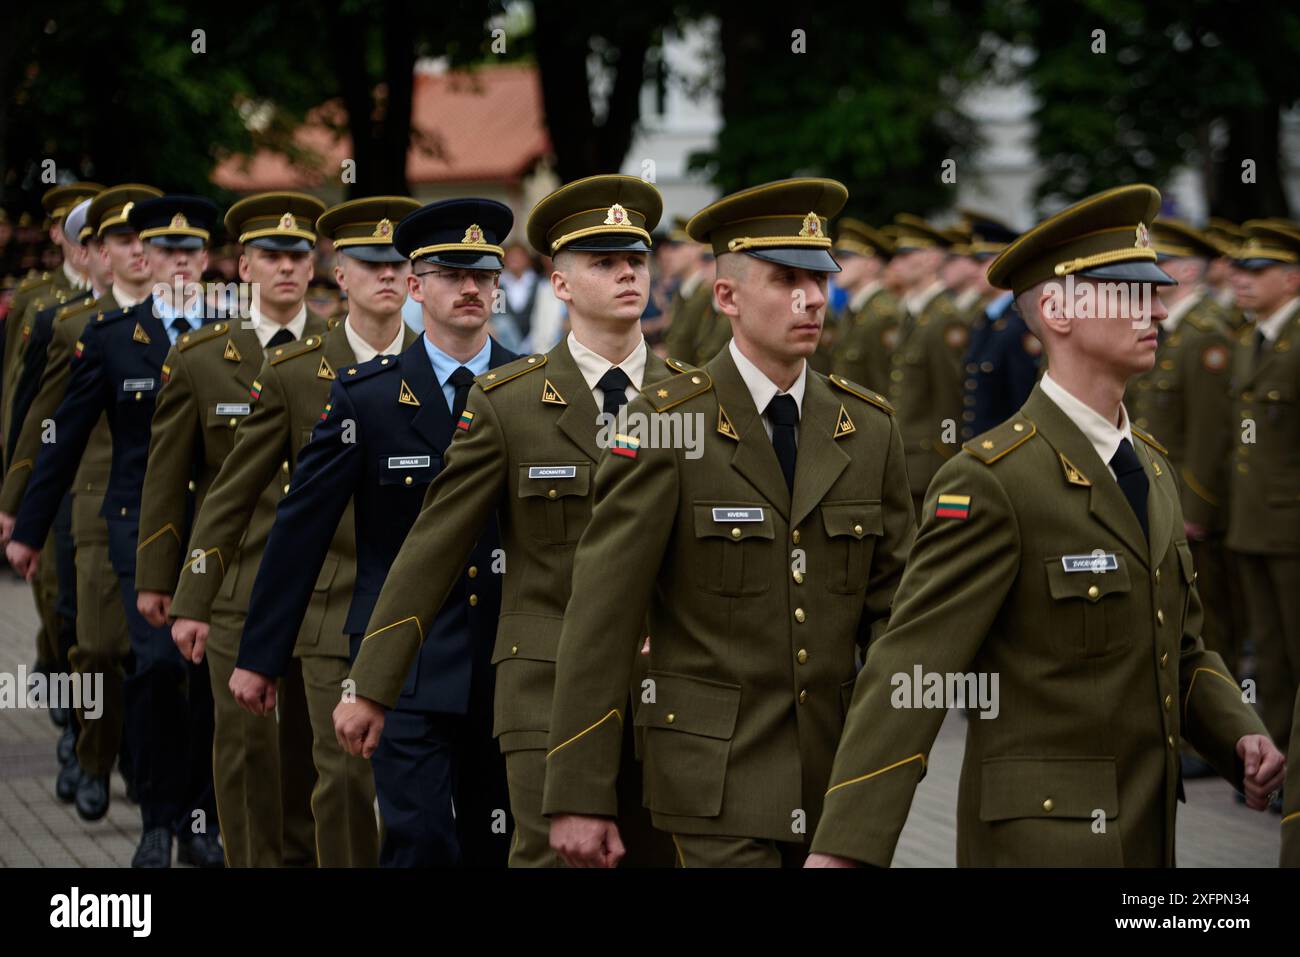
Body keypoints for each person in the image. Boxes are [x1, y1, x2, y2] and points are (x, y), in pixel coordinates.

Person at [806, 185, 1283, 868]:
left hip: (1149, 836)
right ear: (1057, 310)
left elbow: (1181, 643)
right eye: (1126, 290)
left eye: (1154, 288)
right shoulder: (993, 478)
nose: (1154, 306)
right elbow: (914, 669)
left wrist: (1238, 734)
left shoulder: (1149, 467)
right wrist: (847, 847)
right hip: (1042, 840)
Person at [543, 178, 916, 868]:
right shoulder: (662, 423)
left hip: (835, 781)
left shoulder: (866, 428)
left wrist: (887, 771)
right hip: (708, 779)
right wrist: (578, 790)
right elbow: (603, 616)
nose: (810, 298)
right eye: (785, 280)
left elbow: (898, 618)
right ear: (727, 296)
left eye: (819, 279)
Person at [335, 173, 676, 867]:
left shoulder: (693, 401)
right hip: (544, 686)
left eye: (635, 261)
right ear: (561, 283)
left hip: (670, 693)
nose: (626, 275)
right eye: (604, 263)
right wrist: (373, 684)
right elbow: (433, 547)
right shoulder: (510, 403)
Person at [236, 198, 518, 866]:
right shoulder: (367, 397)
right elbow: (301, 527)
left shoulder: (532, 387)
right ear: (418, 287)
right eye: (452, 274)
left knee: (496, 842)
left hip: (507, 658)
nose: (471, 288)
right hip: (403, 661)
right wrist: (260, 654)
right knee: (419, 839)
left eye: (482, 274)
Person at [167, 195, 421, 866]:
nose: (389, 276)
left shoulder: (443, 370)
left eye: (401, 264)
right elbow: (230, 492)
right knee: (338, 775)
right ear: (342, 273)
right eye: (373, 264)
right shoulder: (293, 373)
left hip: (424, 606)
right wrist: (193, 595)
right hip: (329, 603)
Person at [6, 188, 224, 867]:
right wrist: (28, 526)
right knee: (157, 670)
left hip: (215, 535)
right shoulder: (111, 340)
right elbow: (62, 437)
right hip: (138, 530)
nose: (180, 261)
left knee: (208, 678)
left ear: (208, 259)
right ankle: (157, 819)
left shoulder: (234, 342)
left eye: (191, 250)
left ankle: (201, 817)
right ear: (147, 258)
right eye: (166, 250)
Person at [134, 192, 331, 867]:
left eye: (297, 255)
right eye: (271, 255)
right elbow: (168, 482)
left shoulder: (341, 356)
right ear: (243, 264)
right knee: (246, 747)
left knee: (312, 753)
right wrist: (170, 587)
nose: (285, 267)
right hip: (234, 582)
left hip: (321, 583)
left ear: (313, 267)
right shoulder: (200, 355)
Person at [0, 193, 134, 819]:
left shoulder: (188, 324)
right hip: (73, 497)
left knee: (129, 646)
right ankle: (83, 734)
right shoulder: (59, 316)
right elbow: (32, 415)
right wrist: (15, 499)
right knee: (70, 622)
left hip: (146, 508)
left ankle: (122, 756)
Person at [1226, 219, 1300, 787]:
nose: (1241, 280)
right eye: (1240, 270)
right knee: (1270, 659)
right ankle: (1280, 771)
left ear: (1293, 278)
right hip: (1252, 522)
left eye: (1258, 271)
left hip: (1291, 525)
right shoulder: (1252, 339)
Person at [883, 214, 966, 517]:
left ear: (932, 259)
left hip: (931, 467)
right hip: (907, 461)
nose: (899, 262)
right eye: (897, 255)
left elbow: (951, 401)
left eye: (908, 254)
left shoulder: (944, 319)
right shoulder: (912, 315)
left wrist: (949, 467)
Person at [829, 219, 901, 395]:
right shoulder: (853, 310)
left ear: (871, 265)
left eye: (846, 258)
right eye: (837, 256)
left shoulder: (884, 315)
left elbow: (887, 387)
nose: (836, 263)